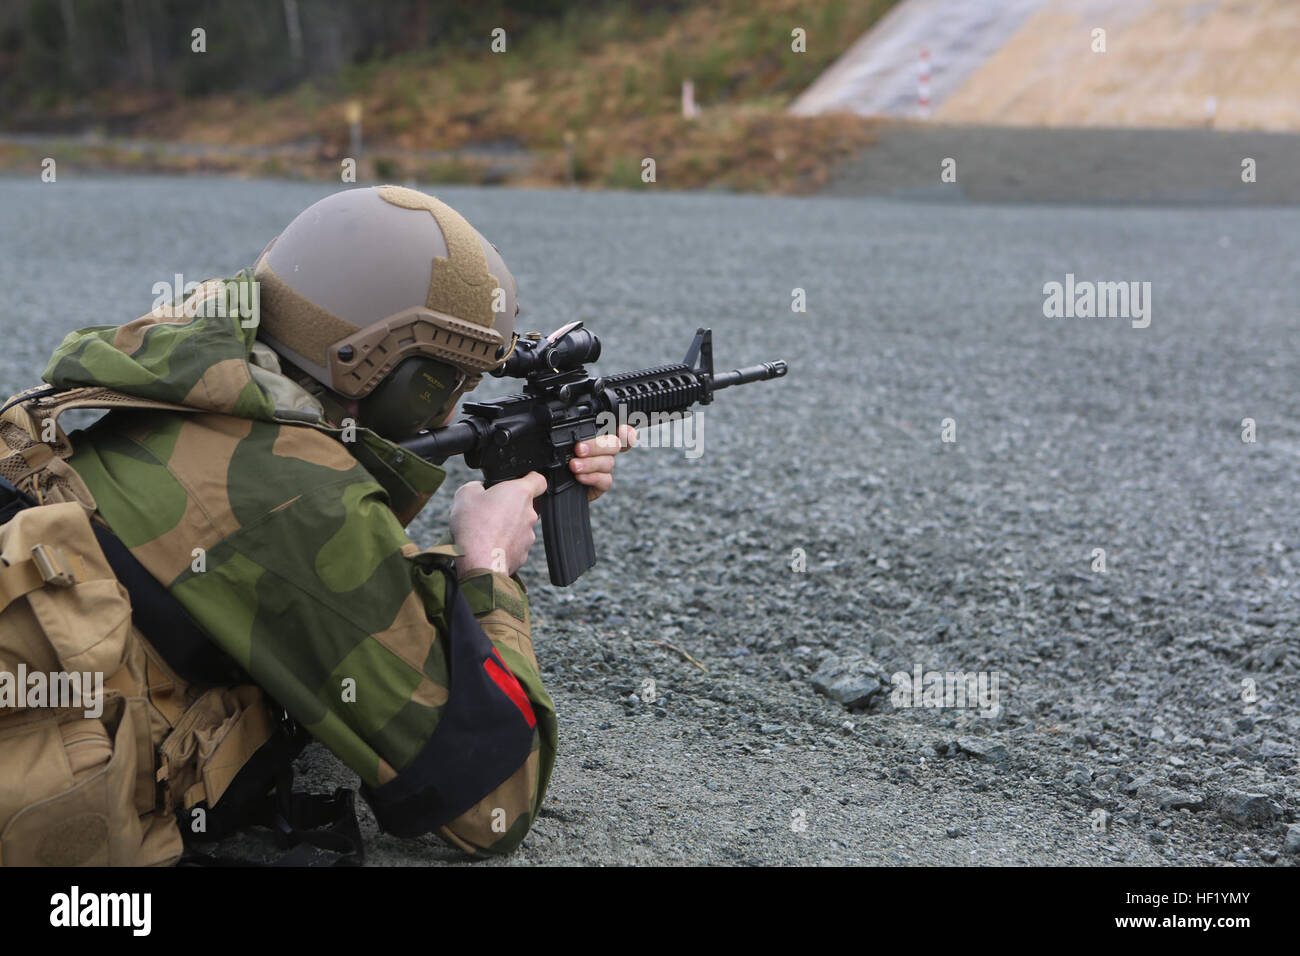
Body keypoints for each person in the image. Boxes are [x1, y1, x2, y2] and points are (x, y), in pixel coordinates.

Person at [29, 184, 635, 858]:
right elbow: (495, 803)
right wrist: (488, 565)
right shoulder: (302, 501)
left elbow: (291, 539)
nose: (447, 414)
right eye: (447, 383)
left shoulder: (185, 376)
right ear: (385, 366)